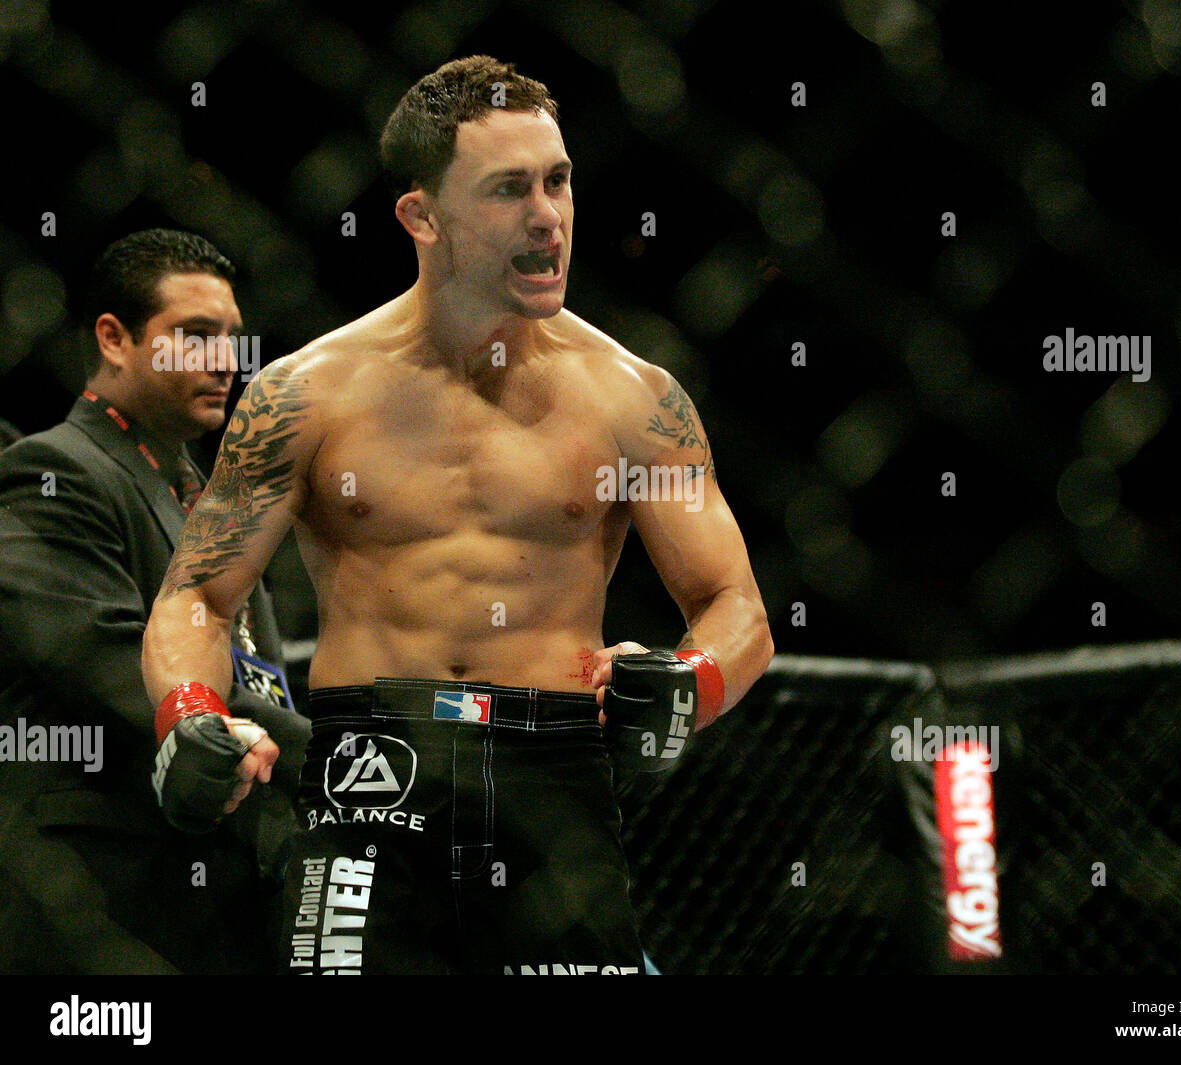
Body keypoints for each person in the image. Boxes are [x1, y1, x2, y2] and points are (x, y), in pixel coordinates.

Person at [142, 56, 773, 975]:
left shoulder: (635, 400)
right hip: (371, 772)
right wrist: (190, 711)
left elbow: (738, 606)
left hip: (551, 774)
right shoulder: (306, 397)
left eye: (558, 181)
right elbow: (197, 596)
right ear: (421, 216)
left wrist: (688, 681)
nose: (548, 216)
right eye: (509, 189)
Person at [0, 229, 308, 973]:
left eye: (233, 338)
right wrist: (344, 750)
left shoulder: (208, 498)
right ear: (114, 338)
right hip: (106, 884)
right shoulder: (53, 471)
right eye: (195, 335)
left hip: (222, 884)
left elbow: (259, 674)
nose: (225, 361)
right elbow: (112, 657)